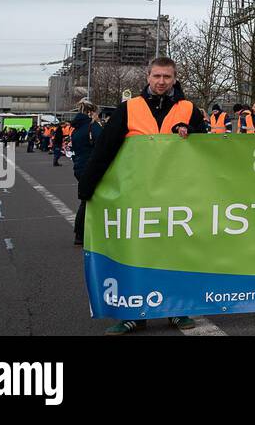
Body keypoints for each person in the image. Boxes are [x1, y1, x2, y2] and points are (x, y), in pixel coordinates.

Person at [78, 56, 209, 334]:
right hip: (137, 195)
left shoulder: (188, 108)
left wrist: (192, 131)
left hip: (177, 194)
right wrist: (87, 188)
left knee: (177, 253)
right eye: (157, 76)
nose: (162, 82)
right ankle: (133, 314)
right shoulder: (129, 108)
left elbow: (207, 144)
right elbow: (105, 149)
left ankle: (177, 309)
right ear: (148, 77)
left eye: (167, 77)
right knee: (136, 254)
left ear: (175, 78)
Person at [70, 100, 100, 245]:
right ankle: (82, 233)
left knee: (86, 200)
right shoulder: (92, 127)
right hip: (91, 167)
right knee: (89, 201)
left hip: (79, 166)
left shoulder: (76, 129)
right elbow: (103, 144)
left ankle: (80, 233)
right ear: (91, 112)